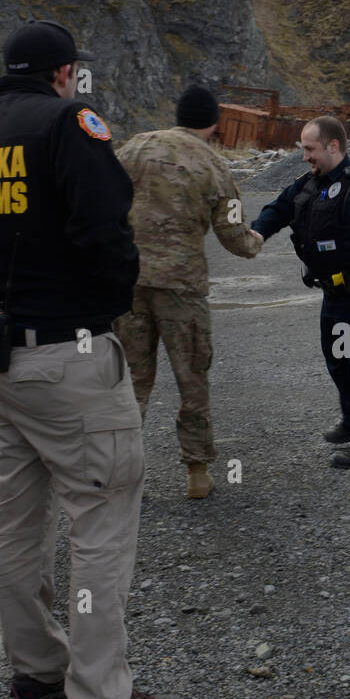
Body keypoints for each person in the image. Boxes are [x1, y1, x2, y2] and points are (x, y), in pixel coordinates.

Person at [0, 18, 177, 699]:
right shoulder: (72, 122)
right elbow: (107, 225)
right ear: (65, 72)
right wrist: (107, 301)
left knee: (17, 515)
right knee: (101, 517)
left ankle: (36, 671)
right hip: (69, 353)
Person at [113, 85, 264, 499]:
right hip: (183, 288)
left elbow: (101, 198)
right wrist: (256, 242)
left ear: (177, 115)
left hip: (129, 283)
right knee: (192, 378)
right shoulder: (215, 165)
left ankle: (125, 477)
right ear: (214, 123)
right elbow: (233, 233)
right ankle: (197, 473)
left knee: (131, 382)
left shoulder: (135, 148)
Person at [252, 116, 350, 468]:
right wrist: (255, 234)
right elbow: (278, 209)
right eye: (303, 149)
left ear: (333, 146)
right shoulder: (309, 184)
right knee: (337, 363)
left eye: (310, 149)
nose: (304, 157)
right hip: (332, 295)